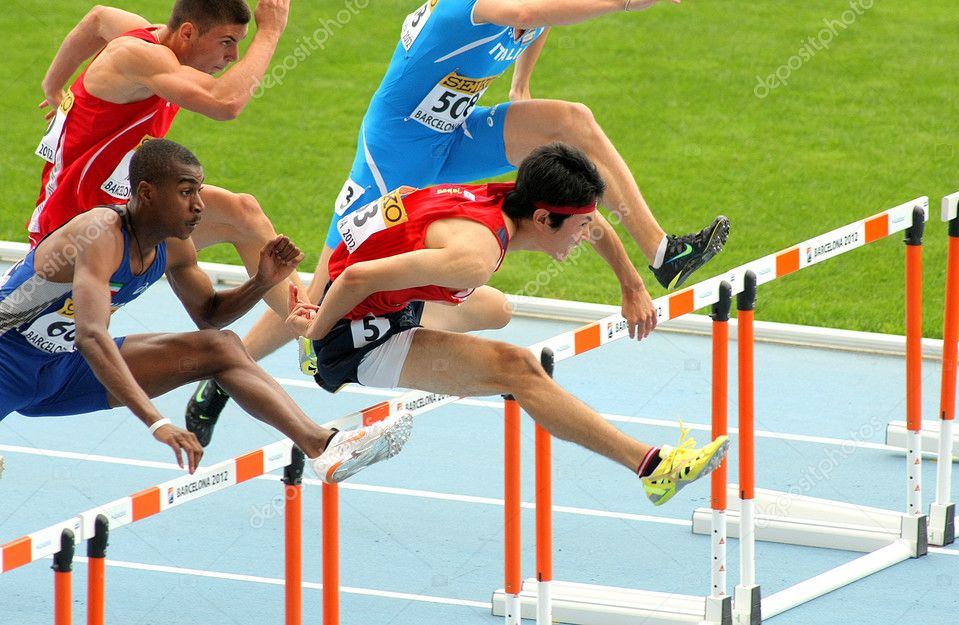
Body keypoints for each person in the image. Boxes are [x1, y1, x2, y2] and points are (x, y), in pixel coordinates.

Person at [187, 0, 731, 438]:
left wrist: (521, 87)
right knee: (323, 283)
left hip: (455, 133)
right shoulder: (463, 8)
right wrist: (621, 4)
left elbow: (533, 26)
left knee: (572, 121)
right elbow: (523, 18)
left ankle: (663, 252)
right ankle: (225, 375)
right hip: (396, 148)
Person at [283, 143, 728, 506]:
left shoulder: (508, 197)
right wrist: (315, 331)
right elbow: (357, 278)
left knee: (498, 311)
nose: (582, 236)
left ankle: (374, 329)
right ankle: (653, 468)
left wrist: (631, 286)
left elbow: (594, 224)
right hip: (352, 331)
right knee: (519, 370)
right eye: (576, 227)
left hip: (391, 296)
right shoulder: (473, 258)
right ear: (541, 219)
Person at [0, 139, 411, 483]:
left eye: (198, 191)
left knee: (223, 347)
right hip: (7, 363)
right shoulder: (100, 234)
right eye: (185, 192)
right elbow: (92, 334)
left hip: (62, 369)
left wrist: (261, 281)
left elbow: (210, 315)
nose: (198, 205)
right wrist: (157, 422)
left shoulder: (173, 245)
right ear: (146, 193)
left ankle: (326, 446)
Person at [30, 1, 308, 366]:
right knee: (41, 359)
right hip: (77, 237)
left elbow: (97, 18)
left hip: (132, 217)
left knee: (243, 213)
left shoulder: (146, 35)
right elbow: (223, 102)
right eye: (226, 41)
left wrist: (54, 85)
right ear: (189, 32)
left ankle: (313, 332)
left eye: (239, 42)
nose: (233, 55)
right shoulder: (136, 56)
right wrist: (270, 32)